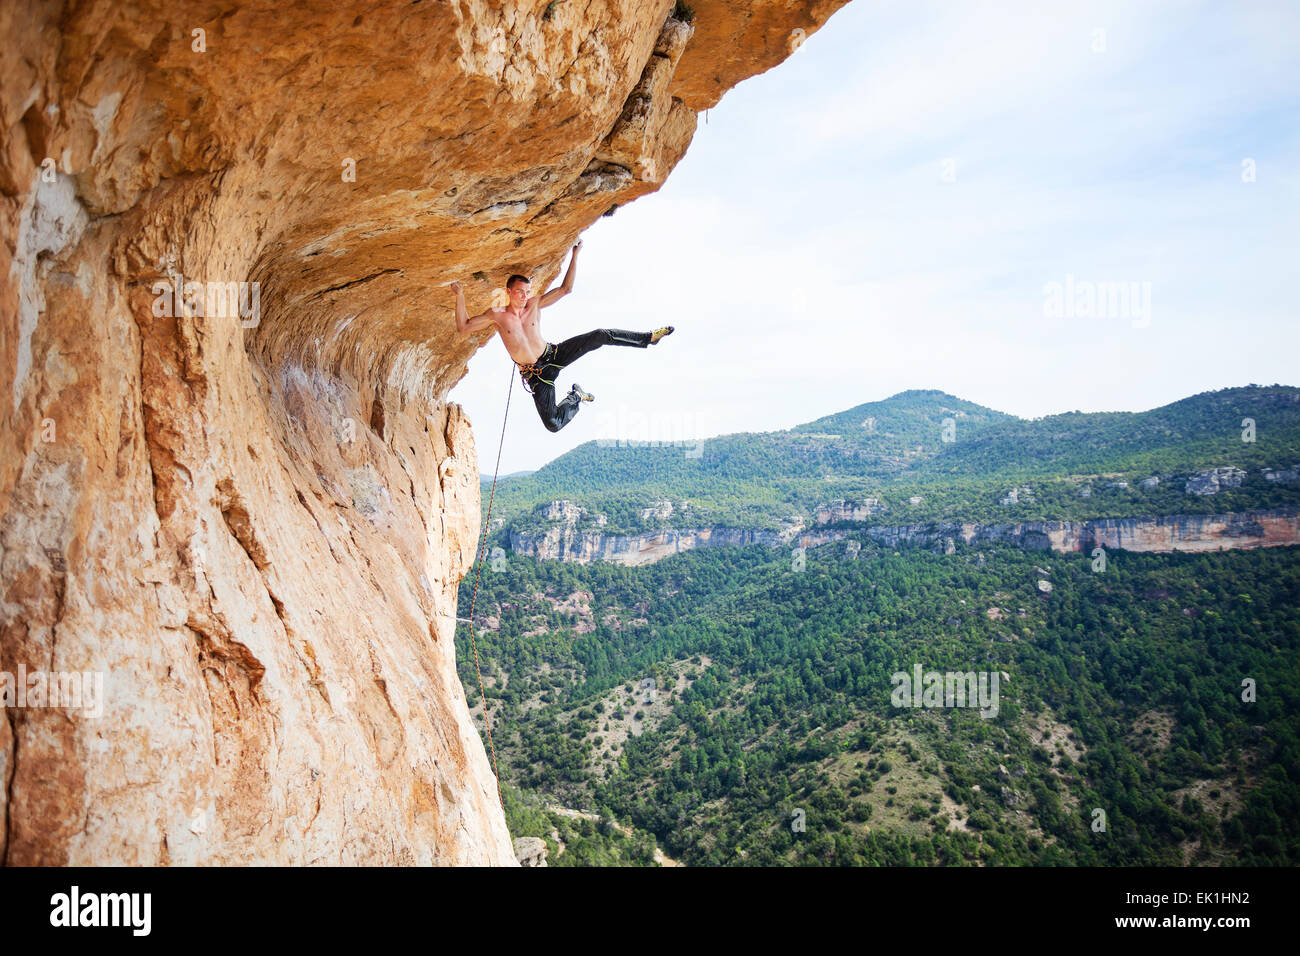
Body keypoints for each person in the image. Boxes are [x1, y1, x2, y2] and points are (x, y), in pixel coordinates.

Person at [451, 240, 673, 432]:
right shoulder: (497, 315)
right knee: (553, 424)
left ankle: (648, 338)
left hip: (553, 355)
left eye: (527, 292)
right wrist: (460, 296)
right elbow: (464, 327)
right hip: (536, 375)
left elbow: (566, 289)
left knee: (599, 336)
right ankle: (576, 397)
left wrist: (575, 255)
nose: (524, 296)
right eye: (520, 292)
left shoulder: (535, 304)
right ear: (508, 292)